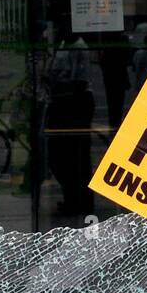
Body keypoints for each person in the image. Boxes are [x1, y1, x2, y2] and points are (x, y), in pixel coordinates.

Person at [43, 31, 95, 216]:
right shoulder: (62, 46)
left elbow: (80, 81)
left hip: (73, 103)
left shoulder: (79, 49)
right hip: (62, 102)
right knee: (61, 158)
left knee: (75, 157)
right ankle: (72, 198)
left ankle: (79, 201)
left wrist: (57, 85)